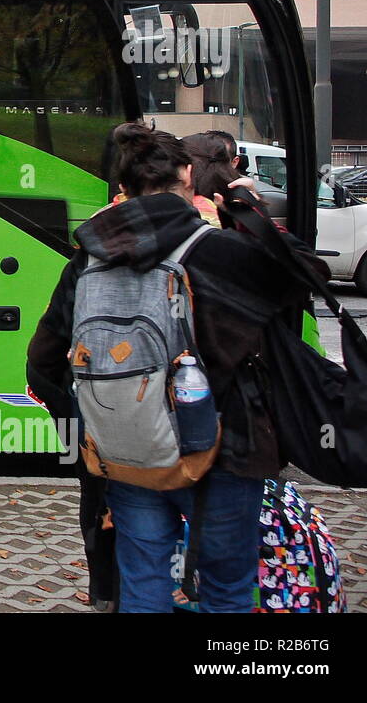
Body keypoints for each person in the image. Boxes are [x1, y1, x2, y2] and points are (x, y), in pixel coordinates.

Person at [26, 122, 326, 612]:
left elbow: (42, 361)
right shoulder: (218, 250)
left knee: (143, 584)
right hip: (225, 454)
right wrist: (246, 213)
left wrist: (103, 415)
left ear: (121, 188)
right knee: (224, 591)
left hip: (130, 454)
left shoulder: (88, 261)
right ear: (188, 174)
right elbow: (306, 273)